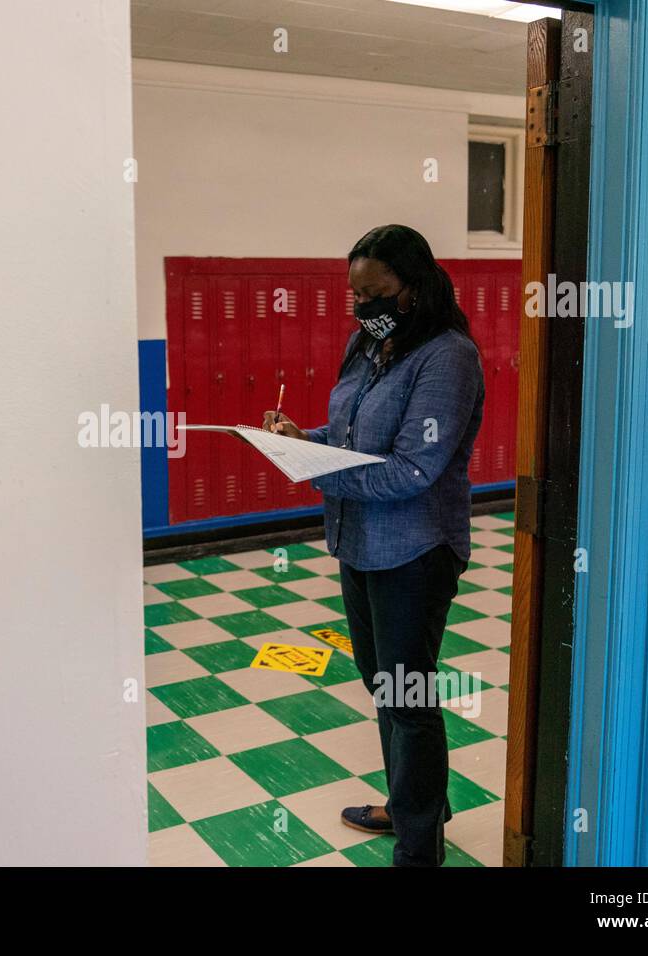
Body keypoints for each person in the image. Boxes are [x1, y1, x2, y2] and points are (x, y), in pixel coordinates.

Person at [262, 224, 484, 867]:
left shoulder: (448, 356)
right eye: (354, 295)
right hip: (358, 541)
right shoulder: (367, 346)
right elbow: (355, 428)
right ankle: (417, 801)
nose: (362, 307)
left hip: (415, 549)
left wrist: (311, 464)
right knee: (381, 683)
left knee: (407, 696)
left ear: (413, 289)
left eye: (376, 293)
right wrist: (308, 435)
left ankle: (419, 846)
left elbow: (413, 468)